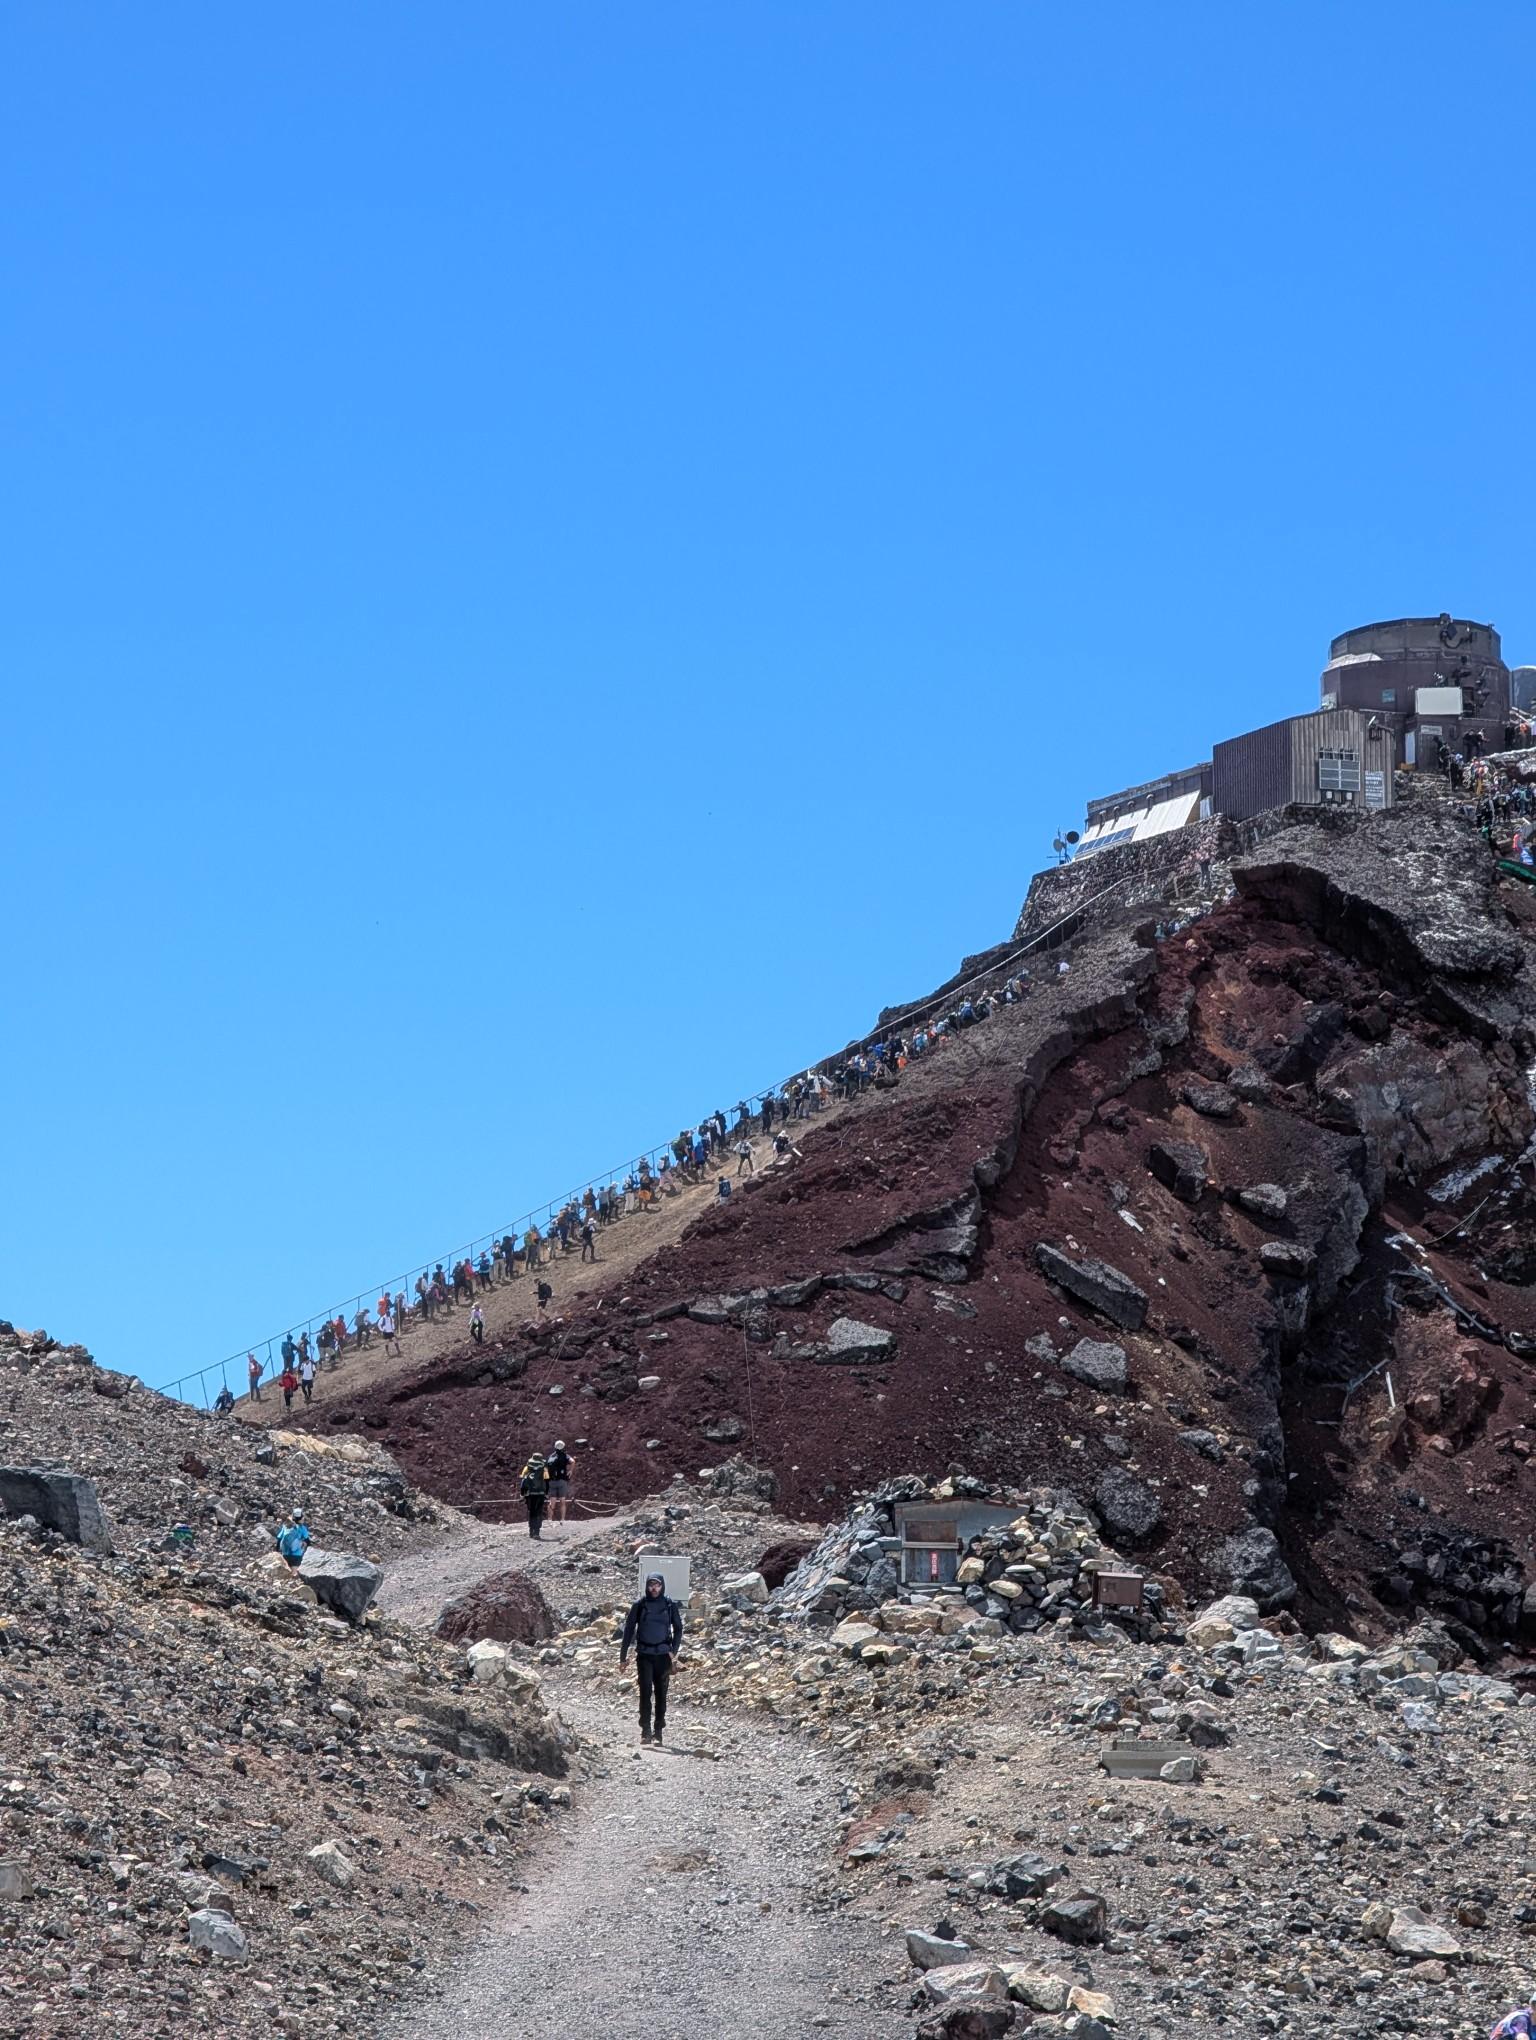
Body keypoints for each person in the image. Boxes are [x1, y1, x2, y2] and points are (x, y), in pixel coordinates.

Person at [620, 1571, 684, 1745]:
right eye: (651, 1585)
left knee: (661, 1694)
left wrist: (674, 1651)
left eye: (657, 1585)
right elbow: (628, 1630)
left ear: (662, 1586)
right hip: (644, 1655)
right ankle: (645, 1731)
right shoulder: (640, 1605)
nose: (654, 1588)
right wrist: (623, 1656)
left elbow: (678, 1628)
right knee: (645, 1692)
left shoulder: (670, 1605)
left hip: (663, 1656)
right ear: (647, 1586)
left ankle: (658, 1731)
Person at [519, 1453, 550, 1539]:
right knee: (538, 1512)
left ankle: (531, 1531)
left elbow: (523, 1481)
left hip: (529, 1494)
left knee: (531, 1512)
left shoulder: (527, 1468)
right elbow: (547, 1482)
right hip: (540, 1494)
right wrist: (546, 1494)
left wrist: (522, 1494)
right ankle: (537, 1532)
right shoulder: (544, 1469)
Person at [546, 1439, 573, 1529]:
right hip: (562, 1481)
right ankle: (562, 1519)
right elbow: (573, 1461)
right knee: (562, 1500)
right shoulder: (565, 1456)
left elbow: (546, 1468)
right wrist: (570, 1471)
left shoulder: (551, 1457)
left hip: (552, 1481)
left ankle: (550, 1519)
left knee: (552, 1501)